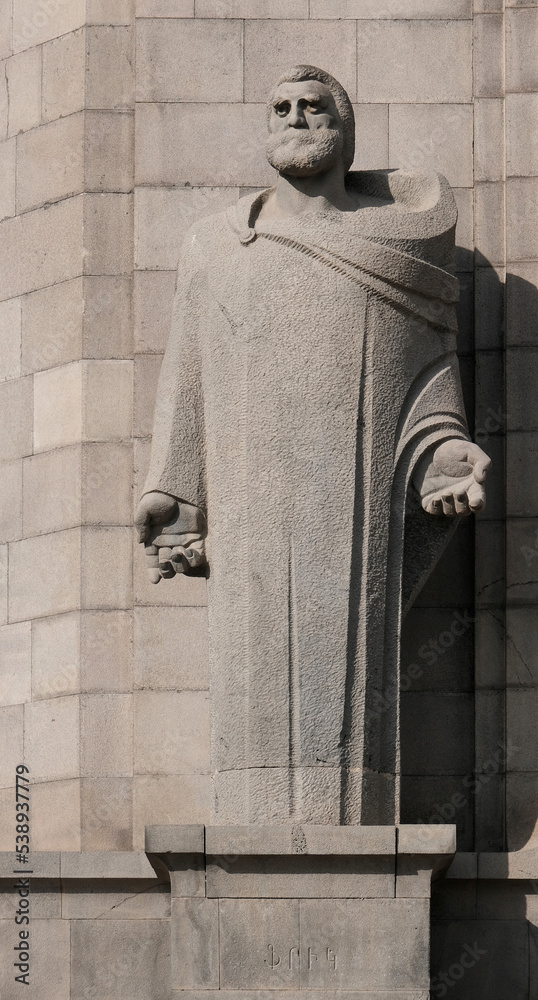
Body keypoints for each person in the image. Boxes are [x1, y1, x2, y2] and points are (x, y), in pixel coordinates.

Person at [135, 65, 490, 825]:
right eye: (281, 107)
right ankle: (249, 820)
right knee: (251, 662)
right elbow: (186, 369)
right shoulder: (217, 245)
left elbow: (426, 380)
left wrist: (441, 453)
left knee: (348, 660)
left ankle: (351, 826)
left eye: (314, 106)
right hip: (250, 493)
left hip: (355, 499)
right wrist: (176, 490)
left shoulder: (396, 244)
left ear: (344, 129)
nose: (296, 117)